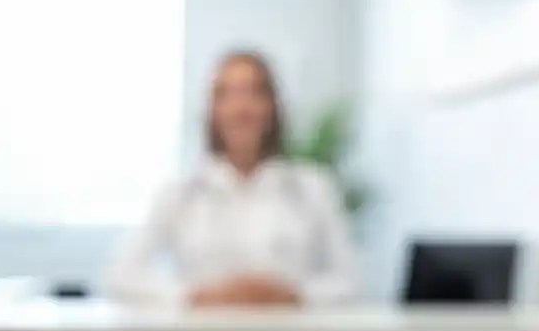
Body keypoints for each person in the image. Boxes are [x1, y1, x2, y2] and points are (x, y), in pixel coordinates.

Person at [107, 51, 358, 307]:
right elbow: (123, 278)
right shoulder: (178, 193)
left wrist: (293, 294)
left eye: (253, 93)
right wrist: (198, 295)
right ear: (212, 110)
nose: (241, 108)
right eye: (227, 94)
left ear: (272, 105)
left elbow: (349, 282)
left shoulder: (313, 187)